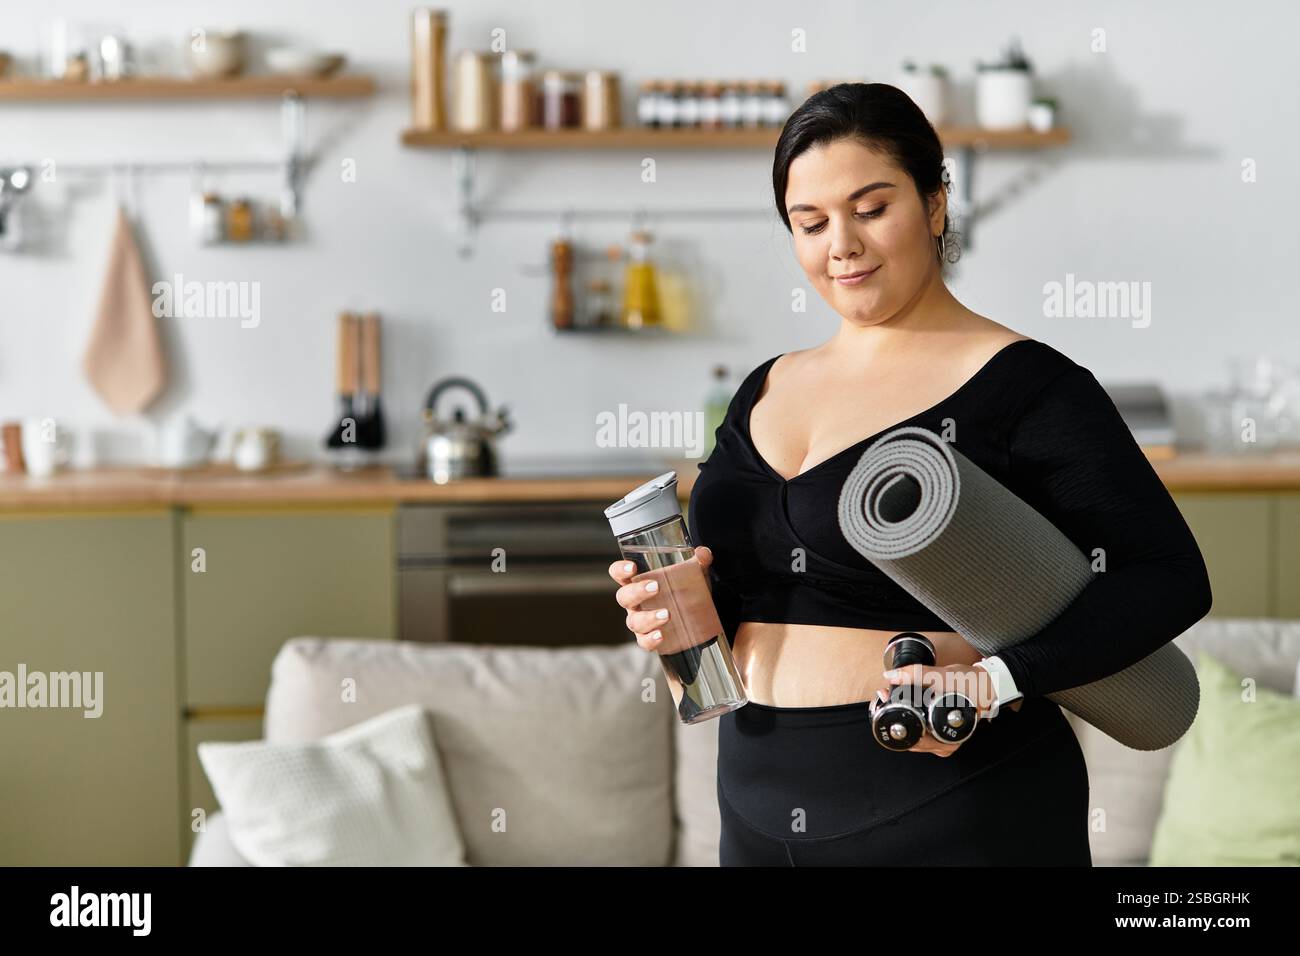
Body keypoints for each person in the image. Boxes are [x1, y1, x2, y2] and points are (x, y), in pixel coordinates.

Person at [608, 82, 1212, 866]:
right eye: (811, 222)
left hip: (952, 802)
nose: (841, 246)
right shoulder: (763, 387)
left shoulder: (1025, 384)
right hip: (756, 796)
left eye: (871, 208)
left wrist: (998, 679)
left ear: (934, 202)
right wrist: (685, 606)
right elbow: (757, 590)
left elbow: (1169, 577)